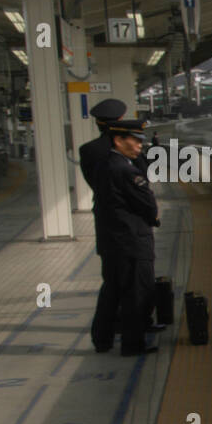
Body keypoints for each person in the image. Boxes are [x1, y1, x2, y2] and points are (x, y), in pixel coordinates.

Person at [97, 120, 161, 356]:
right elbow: (148, 204)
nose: (139, 146)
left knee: (112, 291)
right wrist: (153, 214)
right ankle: (133, 345)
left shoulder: (106, 165)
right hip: (132, 242)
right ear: (118, 141)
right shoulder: (125, 170)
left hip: (113, 241)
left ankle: (101, 339)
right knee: (137, 293)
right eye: (135, 141)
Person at [83, 99, 127, 352]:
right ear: (119, 122)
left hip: (106, 224)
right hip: (128, 228)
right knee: (127, 283)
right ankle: (117, 333)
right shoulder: (124, 150)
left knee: (112, 281)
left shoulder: (87, 150)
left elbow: (96, 186)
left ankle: (107, 335)